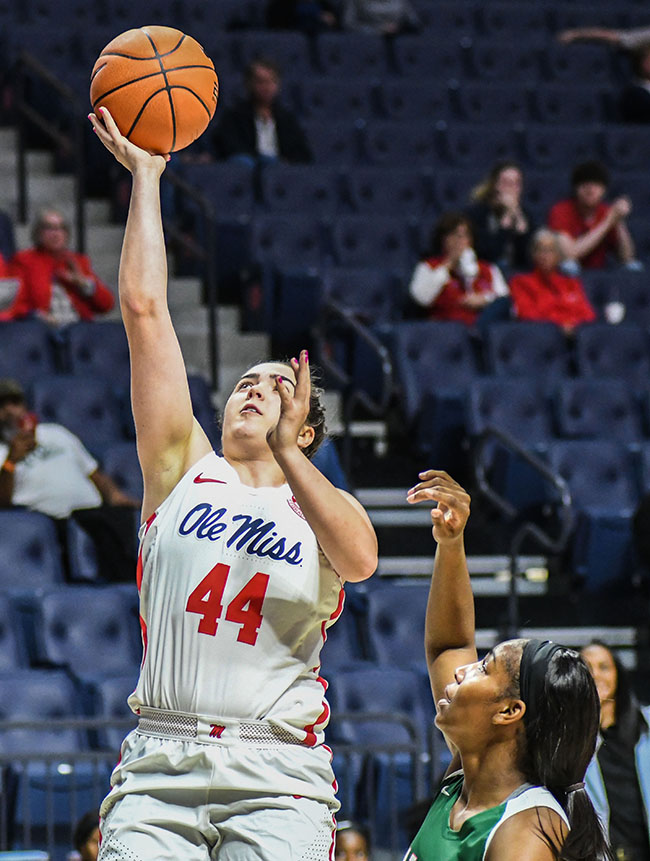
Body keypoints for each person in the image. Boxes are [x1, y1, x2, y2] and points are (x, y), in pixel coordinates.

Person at [88, 105, 377, 860]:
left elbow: (361, 559)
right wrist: (147, 178)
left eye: (276, 386)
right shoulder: (182, 468)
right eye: (244, 381)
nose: (253, 388)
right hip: (160, 762)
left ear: (305, 427)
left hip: (278, 768)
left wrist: (291, 459)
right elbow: (146, 313)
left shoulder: (321, 508)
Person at [403, 469, 613, 861]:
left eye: (484, 668)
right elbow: (450, 643)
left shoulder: (528, 831)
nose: (464, 670)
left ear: (509, 711)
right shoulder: (466, 779)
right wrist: (451, 543)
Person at [0, 378, 140, 581]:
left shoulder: (56, 433)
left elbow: (93, 473)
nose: (10, 411)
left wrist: (116, 496)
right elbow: (2, 503)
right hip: (56, 524)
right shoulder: (3, 452)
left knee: (121, 522)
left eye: (14, 403)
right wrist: (11, 461)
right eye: (2, 406)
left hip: (98, 513)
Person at [581, 641, 650, 861]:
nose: (596, 675)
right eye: (587, 668)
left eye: (604, 667)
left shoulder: (644, 726)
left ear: (618, 673)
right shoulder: (570, 741)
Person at [9, 208, 115, 325]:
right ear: (38, 233)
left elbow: (107, 305)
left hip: (79, 328)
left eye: (61, 228)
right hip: (43, 328)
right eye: (49, 228)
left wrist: (83, 283)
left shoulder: (78, 261)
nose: (56, 233)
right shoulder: (24, 260)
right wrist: (37, 316)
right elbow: (16, 304)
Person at [408, 212, 510, 326]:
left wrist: (485, 299)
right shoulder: (429, 266)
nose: (460, 241)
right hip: (447, 329)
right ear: (443, 239)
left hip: (484, 329)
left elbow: (505, 301)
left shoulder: (488, 269)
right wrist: (448, 265)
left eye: (465, 235)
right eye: (454, 235)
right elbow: (422, 298)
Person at [212, 58, 313, 164]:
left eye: (271, 81)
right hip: (250, 167)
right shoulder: (235, 115)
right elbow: (229, 146)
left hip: (278, 170)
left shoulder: (286, 118)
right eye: (261, 82)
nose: (266, 87)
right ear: (249, 84)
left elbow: (302, 152)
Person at [548, 161, 637, 271]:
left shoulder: (607, 211)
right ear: (575, 189)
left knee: (633, 267)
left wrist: (619, 220)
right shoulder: (560, 210)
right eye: (584, 185)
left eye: (596, 185)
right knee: (570, 266)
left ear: (604, 191)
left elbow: (627, 257)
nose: (590, 190)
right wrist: (608, 221)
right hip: (566, 275)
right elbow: (570, 254)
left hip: (598, 274)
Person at [509, 228, 596, 335]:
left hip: (574, 338)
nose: (544, 255)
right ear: (533, 254)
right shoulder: (521, 282)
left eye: (550, 250)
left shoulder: (571, 283)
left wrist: (569, 325)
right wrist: (561, 325)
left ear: (558, 256)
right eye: (540, 250)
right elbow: (527, 315)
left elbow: (588, 315)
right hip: (540, 338)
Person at [466, 160, 535, 273]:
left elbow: (528, 259)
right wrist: (505, 222)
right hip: (487, 271)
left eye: (516, 184)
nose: (511, 189)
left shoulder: (525, 215)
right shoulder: (477, 213)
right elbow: (488, 254)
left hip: (517, 274)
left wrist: (520, 224)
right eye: (506, 183)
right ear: (495, 185)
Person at [342, 0, 420, 35]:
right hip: (366, 45)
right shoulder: (356, 1)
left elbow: (414, 23)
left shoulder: (401, 2)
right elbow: (349, 24)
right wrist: (378, 29)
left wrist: (398, 28)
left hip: (399, 45)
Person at [266, 0, 339, 34]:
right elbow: (274, 26)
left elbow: (336, 26)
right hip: (290, 42)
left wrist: (331, 21)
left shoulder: (325, 6)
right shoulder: (279, 6)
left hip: (320, 42)